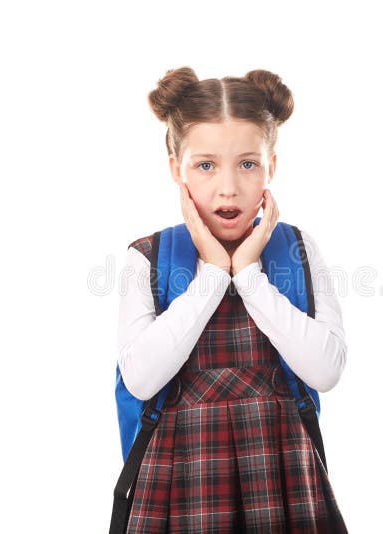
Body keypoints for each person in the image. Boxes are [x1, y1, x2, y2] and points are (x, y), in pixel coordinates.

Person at [116, 66, 348, 532]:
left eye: (248, 164)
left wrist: (248, 274)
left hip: (281, 477)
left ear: (271, 166)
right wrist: (211, 274)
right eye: (206, 165)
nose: (228, 187)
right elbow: (140, 380)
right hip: (182, 482)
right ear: (176, 169)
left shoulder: (299, 250)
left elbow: (326, 371)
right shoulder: (147, 259)